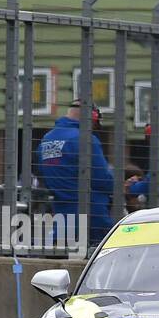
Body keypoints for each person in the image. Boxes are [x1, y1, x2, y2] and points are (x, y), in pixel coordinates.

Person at [37, 98, 114, 244]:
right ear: (92, 117)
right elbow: (101, 179)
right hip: (91, 212)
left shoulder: (46, 139)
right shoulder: (85, 139)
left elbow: (42, 172)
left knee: (57, 250)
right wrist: (119, 185)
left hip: (61, 211)